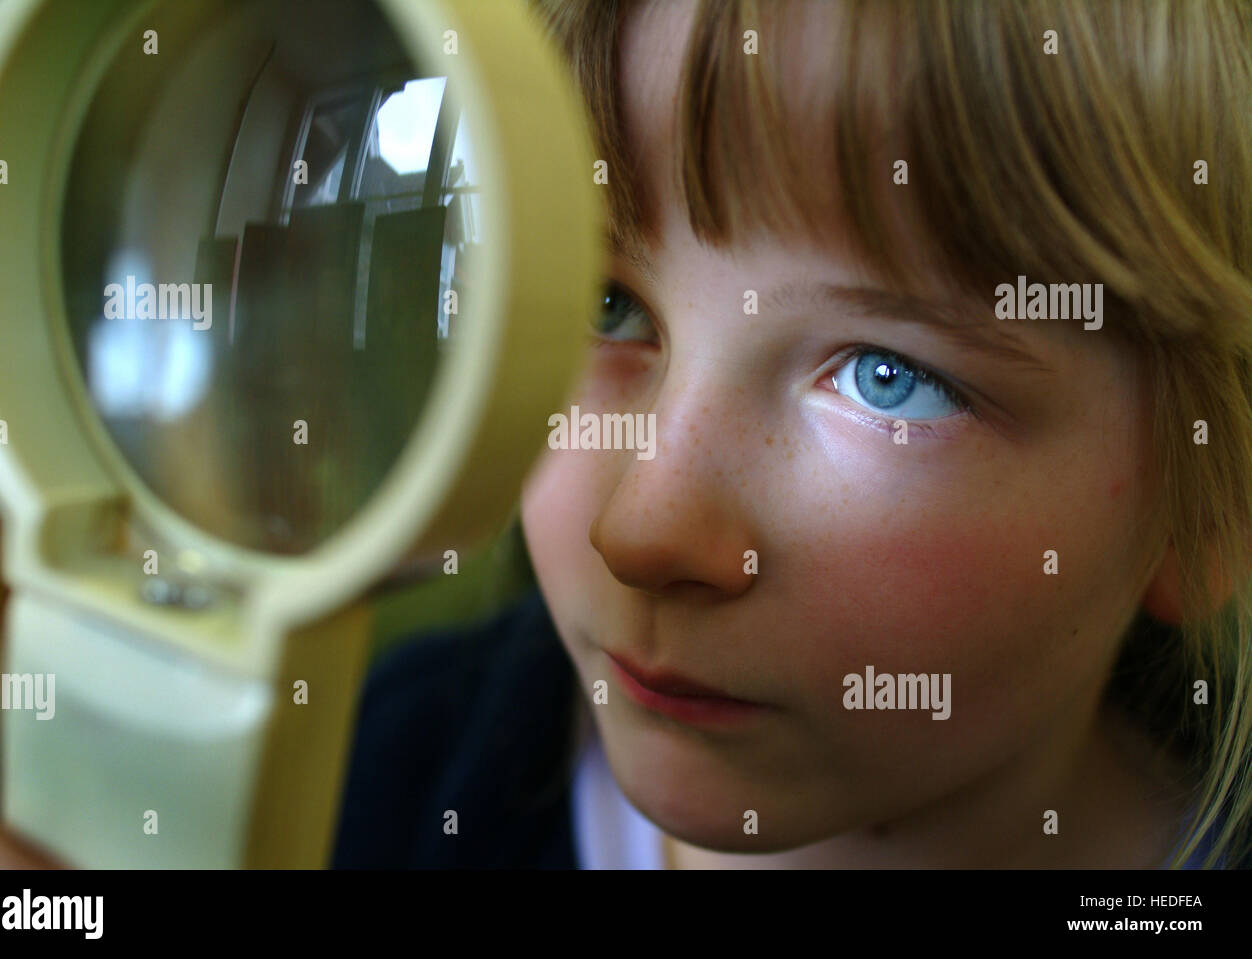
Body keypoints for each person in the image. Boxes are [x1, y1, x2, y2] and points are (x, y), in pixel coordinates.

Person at [336, 0, 1252, 869]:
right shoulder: (373, 779)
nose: (643, 529)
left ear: (1219, 502)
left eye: (890, 381)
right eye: (605, 304)